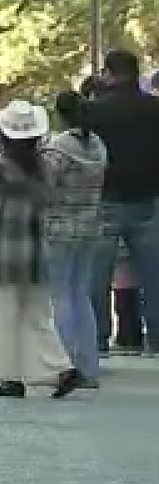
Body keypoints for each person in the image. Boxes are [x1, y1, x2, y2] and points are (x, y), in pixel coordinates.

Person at [0, 101, 80, 398]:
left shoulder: (1, 168)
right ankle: (61, 368)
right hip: (36, 251)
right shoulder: (44, 166)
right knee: (38, 316)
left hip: (4, 253)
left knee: (6, 317)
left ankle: (11, 377)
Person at [84, 49, 159, 356]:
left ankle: (99, 338)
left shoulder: (97, 111)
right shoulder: (154, 109)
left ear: (109, 73)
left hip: (106, 198)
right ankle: (156, 338)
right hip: (148, 198)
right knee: (153, 273)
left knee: (97, 274)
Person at [41, 91, 107, 387]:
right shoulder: (97, 145)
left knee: (61, 296)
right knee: (81, 294)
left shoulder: (59, 148)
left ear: (59, 114)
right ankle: (89, 366)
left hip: (59, 229)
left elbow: (44, 187)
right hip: (90, 226)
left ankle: (64, 364)